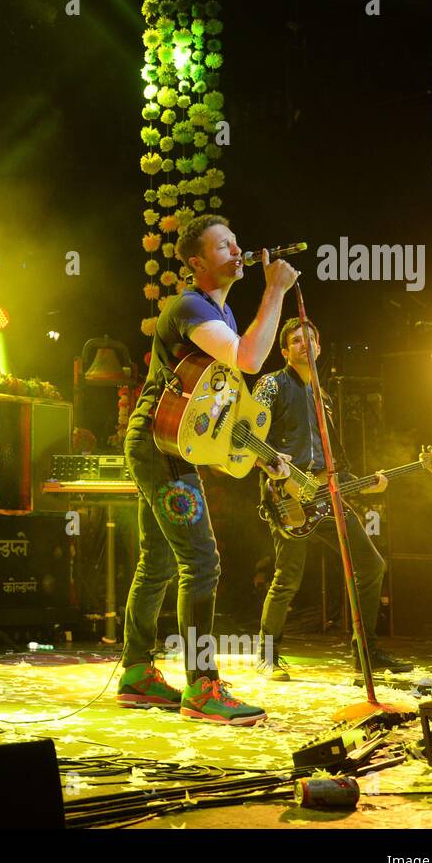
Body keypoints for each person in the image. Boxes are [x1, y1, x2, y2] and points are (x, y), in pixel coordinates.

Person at [117, 214, 295, 725]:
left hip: (169, 444)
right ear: (196, 263)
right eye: (223, 246)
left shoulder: (222, 312)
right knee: (202, 563)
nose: (237, 251)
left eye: (236, 243)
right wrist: (275, 291)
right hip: (160, 448)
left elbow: (217, 408)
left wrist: (260, 453)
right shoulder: (190, 306)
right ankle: (202, 685)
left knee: (158, 562)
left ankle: (136, 673)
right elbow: (249, 360)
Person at [251, 319, 412, 679]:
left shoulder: (322, 397)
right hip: (287, 493)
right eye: (296, 340)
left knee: (371, 566)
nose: (304, 344)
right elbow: (250, 434)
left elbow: (332, 459)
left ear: (320, 348)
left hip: (325, 494)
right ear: (285, 351)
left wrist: (365, 484)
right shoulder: (271, 385)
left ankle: (366, 653)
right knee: (288, 577)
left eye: (310, 338)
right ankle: (267, 654)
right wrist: (270, 464)